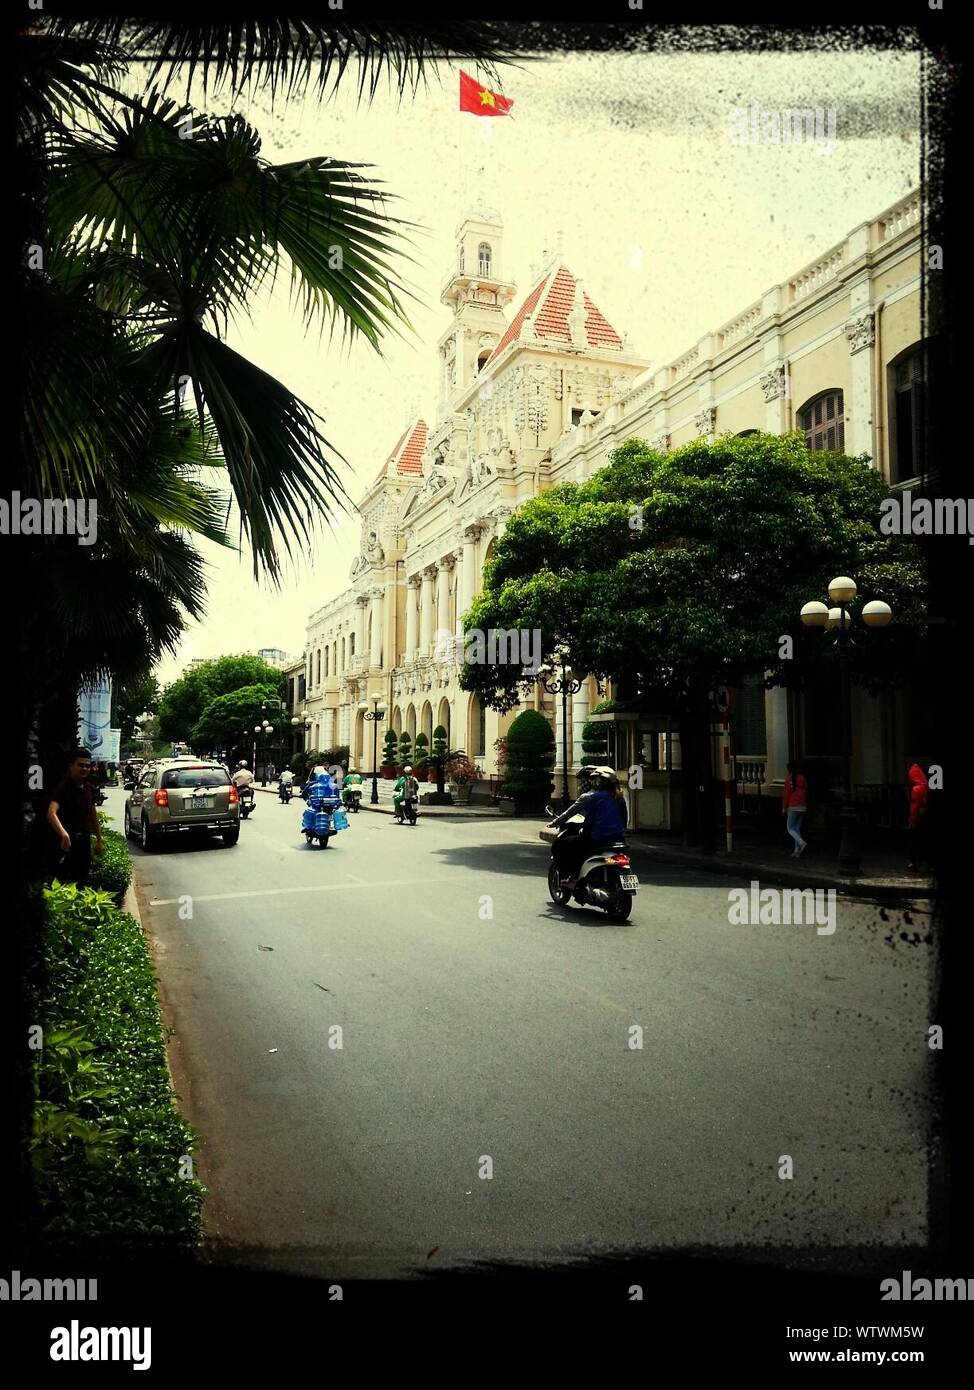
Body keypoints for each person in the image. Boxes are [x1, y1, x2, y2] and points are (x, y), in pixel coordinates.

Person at [547, 766, 628, 884]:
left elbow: (569, 813)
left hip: (596, 838)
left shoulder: (590, 797)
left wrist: (554, 822)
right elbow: (624, 818)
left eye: (595, 779)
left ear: (600, 782)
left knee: (562, 844)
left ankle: (569, 876)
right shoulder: (619, 797)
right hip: (618, 839)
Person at [46, 747, 104, 887]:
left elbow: (92, 814)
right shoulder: (63, 788)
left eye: (87, 766)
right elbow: (51, 813)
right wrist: (64, 834)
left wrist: (98, 839)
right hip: (63, 844)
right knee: (61, 883)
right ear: (71, 766)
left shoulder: (89, 788)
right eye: (80, 765)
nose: (84, 768)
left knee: (81, 881)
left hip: (83, 842)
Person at [907, 760, 930, 873]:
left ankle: (914, 863)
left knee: (913, 842)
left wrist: (912, 820)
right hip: (925, 819)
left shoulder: (916, 789)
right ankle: (923, 863)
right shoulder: (926, 786)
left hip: (917, 820)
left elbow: (914, 807)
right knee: (923, 842)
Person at [781, 760, 808, 858]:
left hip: (793, 806)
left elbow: (786, 794)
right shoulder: (803, 779)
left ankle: (801, 842)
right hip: (802, 806)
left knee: (790, 828)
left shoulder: (789, 779)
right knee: (797, 828)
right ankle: (797, 850)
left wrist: (784, 807)